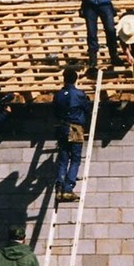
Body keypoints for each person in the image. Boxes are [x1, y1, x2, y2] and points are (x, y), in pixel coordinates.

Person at [52, 67, 92, 203]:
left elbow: (55, 112)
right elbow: (87, 109)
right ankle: (68, 189)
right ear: (76, 79)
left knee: (63, 159)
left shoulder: (58, 95)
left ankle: (59, 188)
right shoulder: (79, 95)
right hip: (75, 129)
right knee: (75, 159)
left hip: (62, 128)